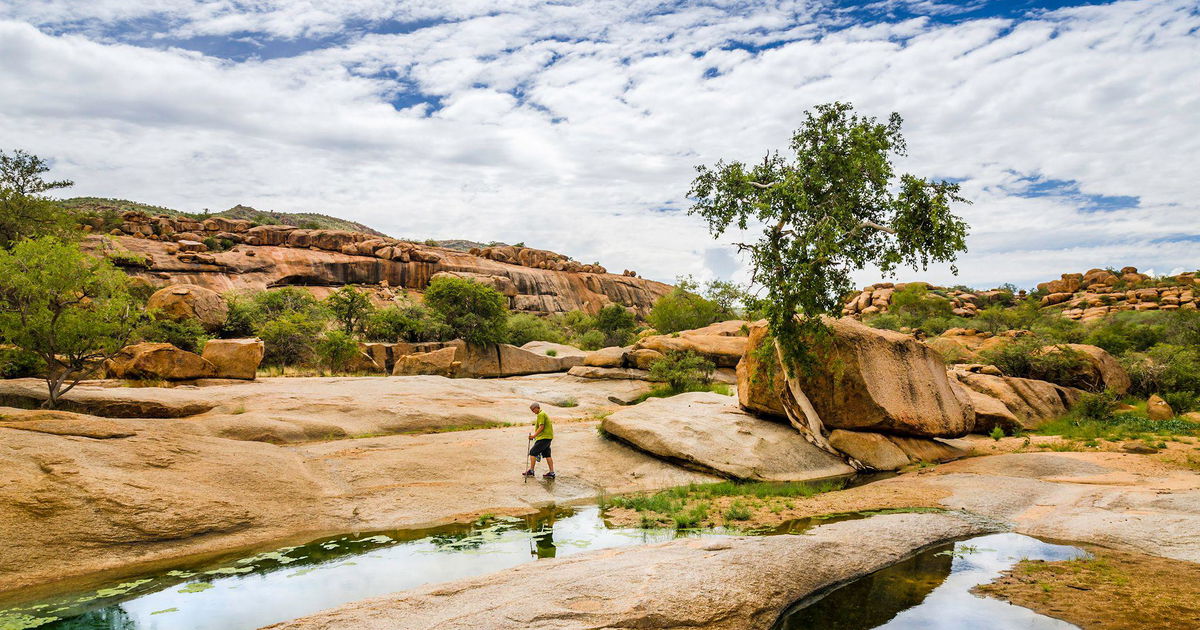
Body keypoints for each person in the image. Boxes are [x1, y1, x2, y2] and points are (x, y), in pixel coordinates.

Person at [523, 402, 555, 479]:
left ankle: (531, 471)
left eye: (533, 410)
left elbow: (541, 427)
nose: (533, 412)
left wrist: (534, 436)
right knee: (547, 454)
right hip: (548, 437)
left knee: (532, 452)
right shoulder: (542, 413)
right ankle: (551, 472)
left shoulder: (541, 414)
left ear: (537, 408)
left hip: (543, 438)